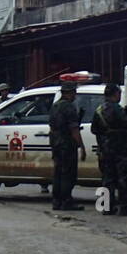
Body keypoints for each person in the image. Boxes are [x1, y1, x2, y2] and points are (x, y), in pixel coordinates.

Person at [91, 83, 127, 216]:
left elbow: (94, 129)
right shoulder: (116, 109)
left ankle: (107, 207)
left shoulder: (99, 109)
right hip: (120, 148)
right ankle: (126, 207)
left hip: (106, 148)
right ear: (116, 94)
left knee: (107, 178)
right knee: (123, 177)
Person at [48, 80, 86, 211]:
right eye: (74, 92)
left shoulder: (55, 106)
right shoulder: (69, 107)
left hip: (56, 143)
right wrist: (82, 147)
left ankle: (56, 200)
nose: (75, 95)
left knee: (58, 172)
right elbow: (74, 130)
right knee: (68, 173)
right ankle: (66, 201)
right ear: (69, 93)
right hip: (66, 144)